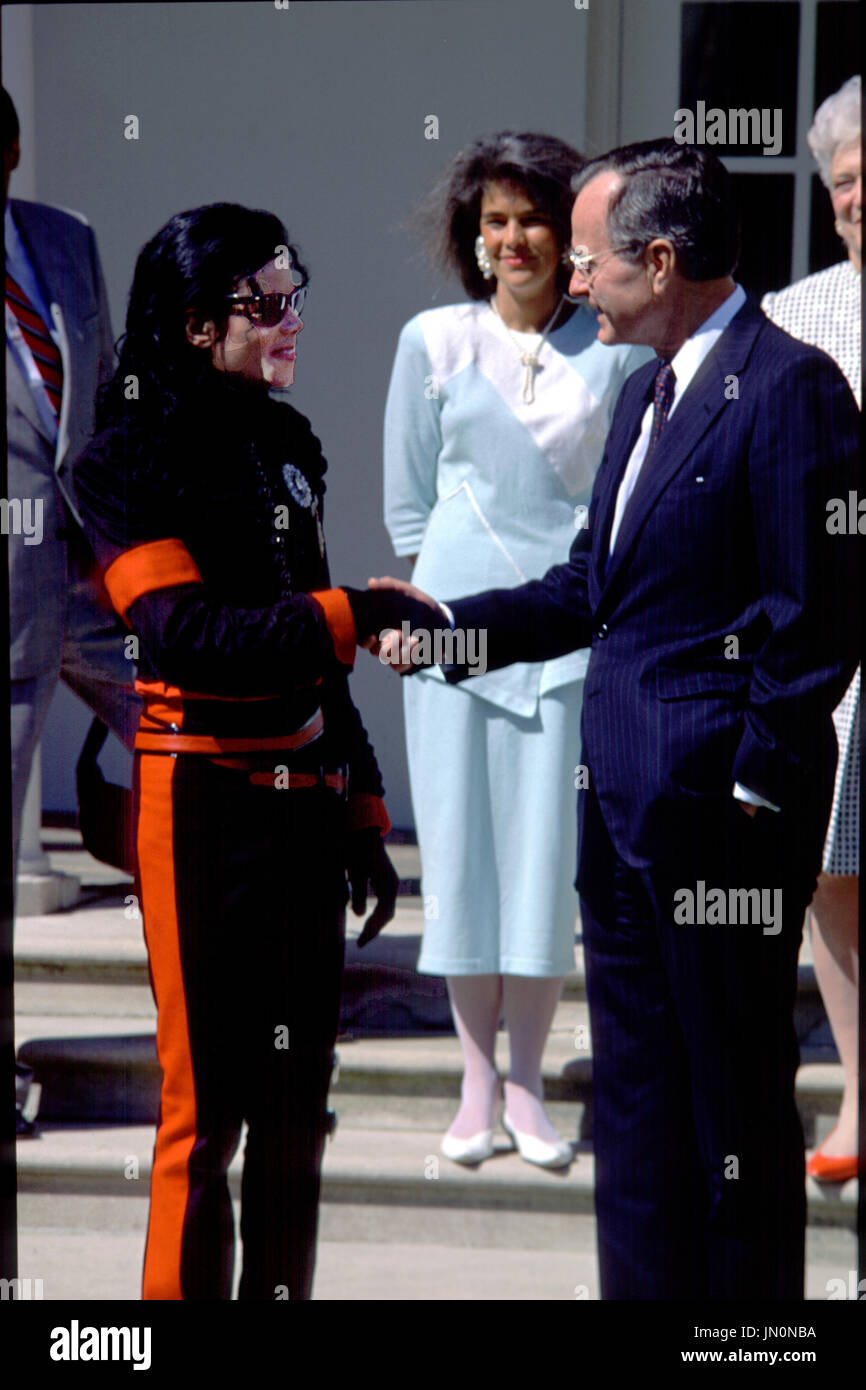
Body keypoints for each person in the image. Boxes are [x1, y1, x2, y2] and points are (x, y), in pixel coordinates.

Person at [371, 140, 860, 1299]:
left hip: (724, 825)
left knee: (731, 1099)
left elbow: (819, 617)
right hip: (623, 814)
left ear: (659, 257)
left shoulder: (788, 386)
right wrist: (441, 627)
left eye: (591, 260)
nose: (572, 281)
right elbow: (586, 589)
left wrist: (750, 784)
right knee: (635, 1100)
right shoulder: (642, 388)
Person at [72, 202, 431, 1300]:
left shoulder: (285, 442)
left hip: (303, 799)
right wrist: (354, 613)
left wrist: (364, 801)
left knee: (292, 1104)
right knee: (207, 1107)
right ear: (192, 325)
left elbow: (309, 638)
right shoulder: (121, 460)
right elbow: (185, 637)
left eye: (295, 295)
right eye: (265, 303)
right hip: (202, 806)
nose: (291, 320)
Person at [383, 131, 649, 1168]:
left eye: (531, 217)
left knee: (541, 861)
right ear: (472, 235)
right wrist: (427, 617)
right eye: (493, 220)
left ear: (567, 227)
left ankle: (530, 1082)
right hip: (451, 628)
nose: (512, 238)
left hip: (568, 629)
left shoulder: (616, 348)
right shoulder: (431, 341)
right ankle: (473, 1082)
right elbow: (409, 498)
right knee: (457, 857)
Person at [4, 84, 140, 1140]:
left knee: (210, 727)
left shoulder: (64, 239)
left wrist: (117, 534)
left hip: (92, 573)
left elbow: (101, 387)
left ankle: (253, 1002)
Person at [761, 74, 861, 1185]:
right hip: (833, 638)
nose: (852, 200)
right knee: (832, 870)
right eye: (840, 182)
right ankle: (854, 1097)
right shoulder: (791, 317)